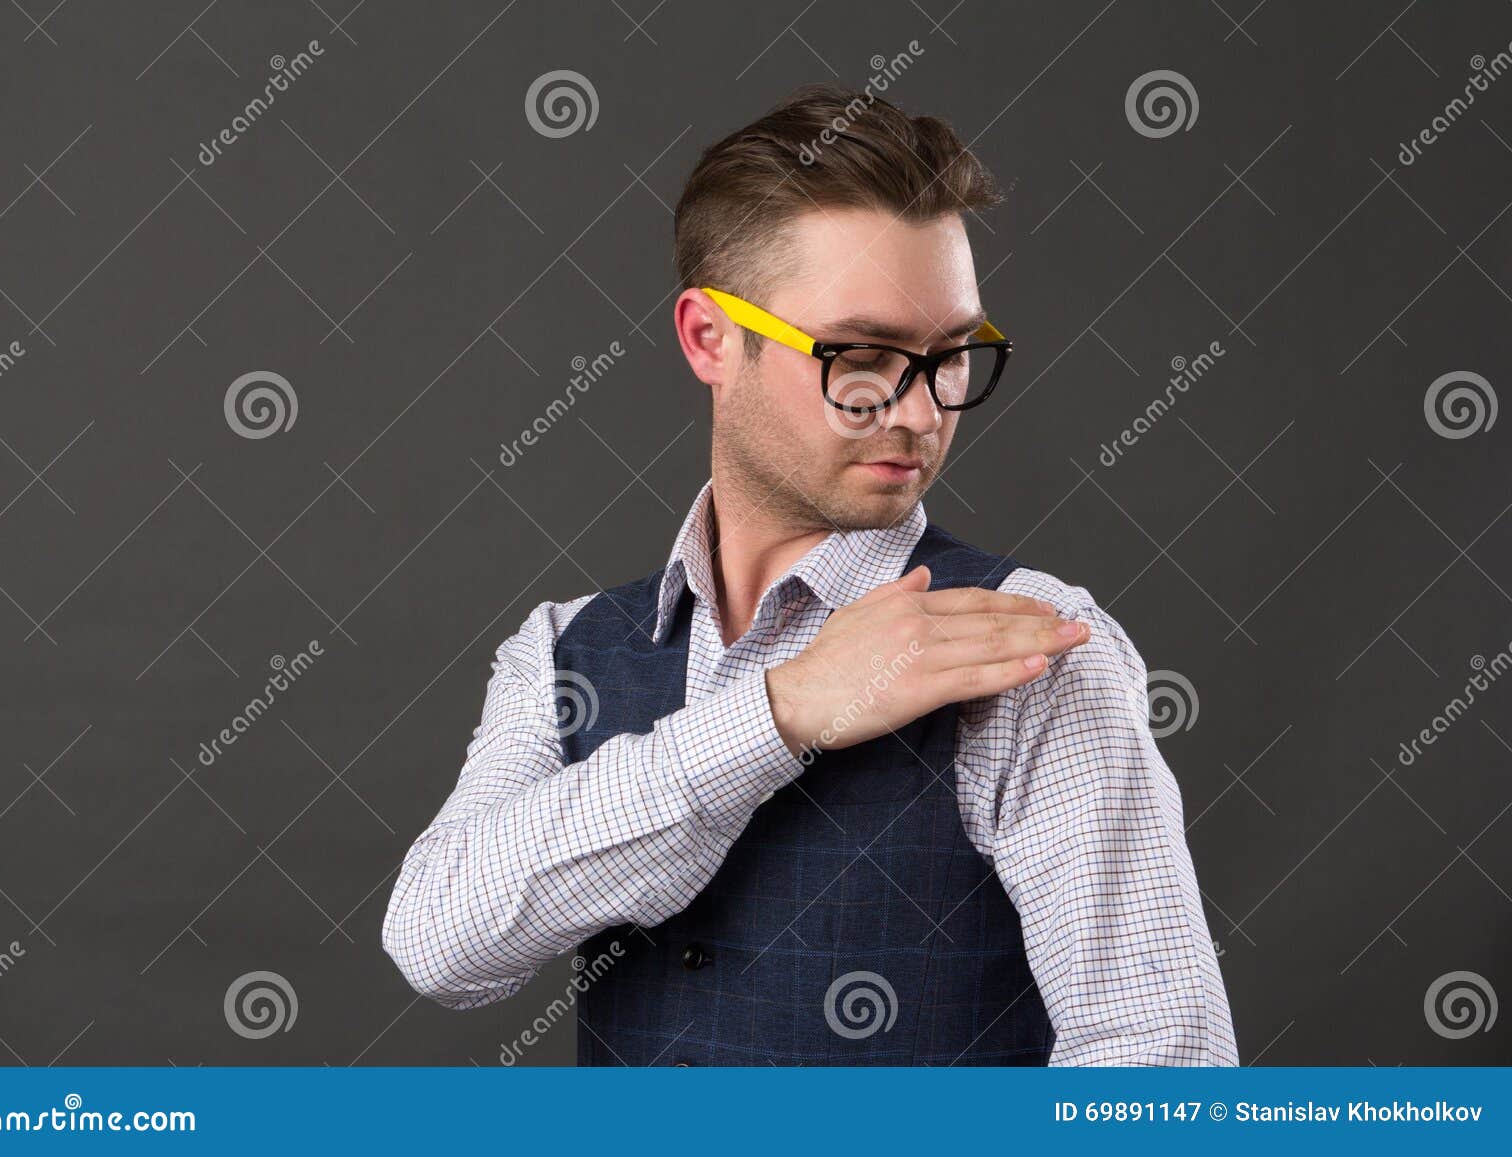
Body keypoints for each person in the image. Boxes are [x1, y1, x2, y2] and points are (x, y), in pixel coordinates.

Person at [382, 82, 1239, 1066]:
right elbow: (439, 941)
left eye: (951, 354)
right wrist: (779, 711)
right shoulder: (565, 648)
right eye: (863, 356)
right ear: (711, 338)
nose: (917, 413)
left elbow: (1160, 1068)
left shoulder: (1029, 642)